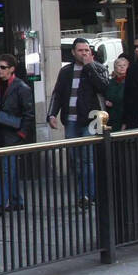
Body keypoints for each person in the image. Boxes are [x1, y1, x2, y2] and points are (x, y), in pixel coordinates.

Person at [46, 38, 109, 206]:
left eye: (87, 50)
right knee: (76, 159)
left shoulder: (99, 68)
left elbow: (103, 87)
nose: (84, 53)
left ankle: (88, 194)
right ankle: (84, 193)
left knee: (88, 158)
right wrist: (52, 114)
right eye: (80, 50)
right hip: (71, 120)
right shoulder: (66, 71)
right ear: (73, 52)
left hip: (91, 119)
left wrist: (89, 67)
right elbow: (57, 93)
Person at [0, 54, 34, 213]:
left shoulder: (21, 87)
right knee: (8, 167)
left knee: (7, 167)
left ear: (12, 69)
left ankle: (1, 202)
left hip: (13, 132)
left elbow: (29, 113)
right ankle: (16, 200)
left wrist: (21, 133)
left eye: (3, 67)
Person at [104, 55, 129, 132]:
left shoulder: (130, 82)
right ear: (115, 68)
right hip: (112, 117)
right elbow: (107, 95)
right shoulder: (110, 82)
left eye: (124, 65)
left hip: (125, 116)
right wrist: (106, 101)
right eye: (119, 65)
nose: (122, 67)